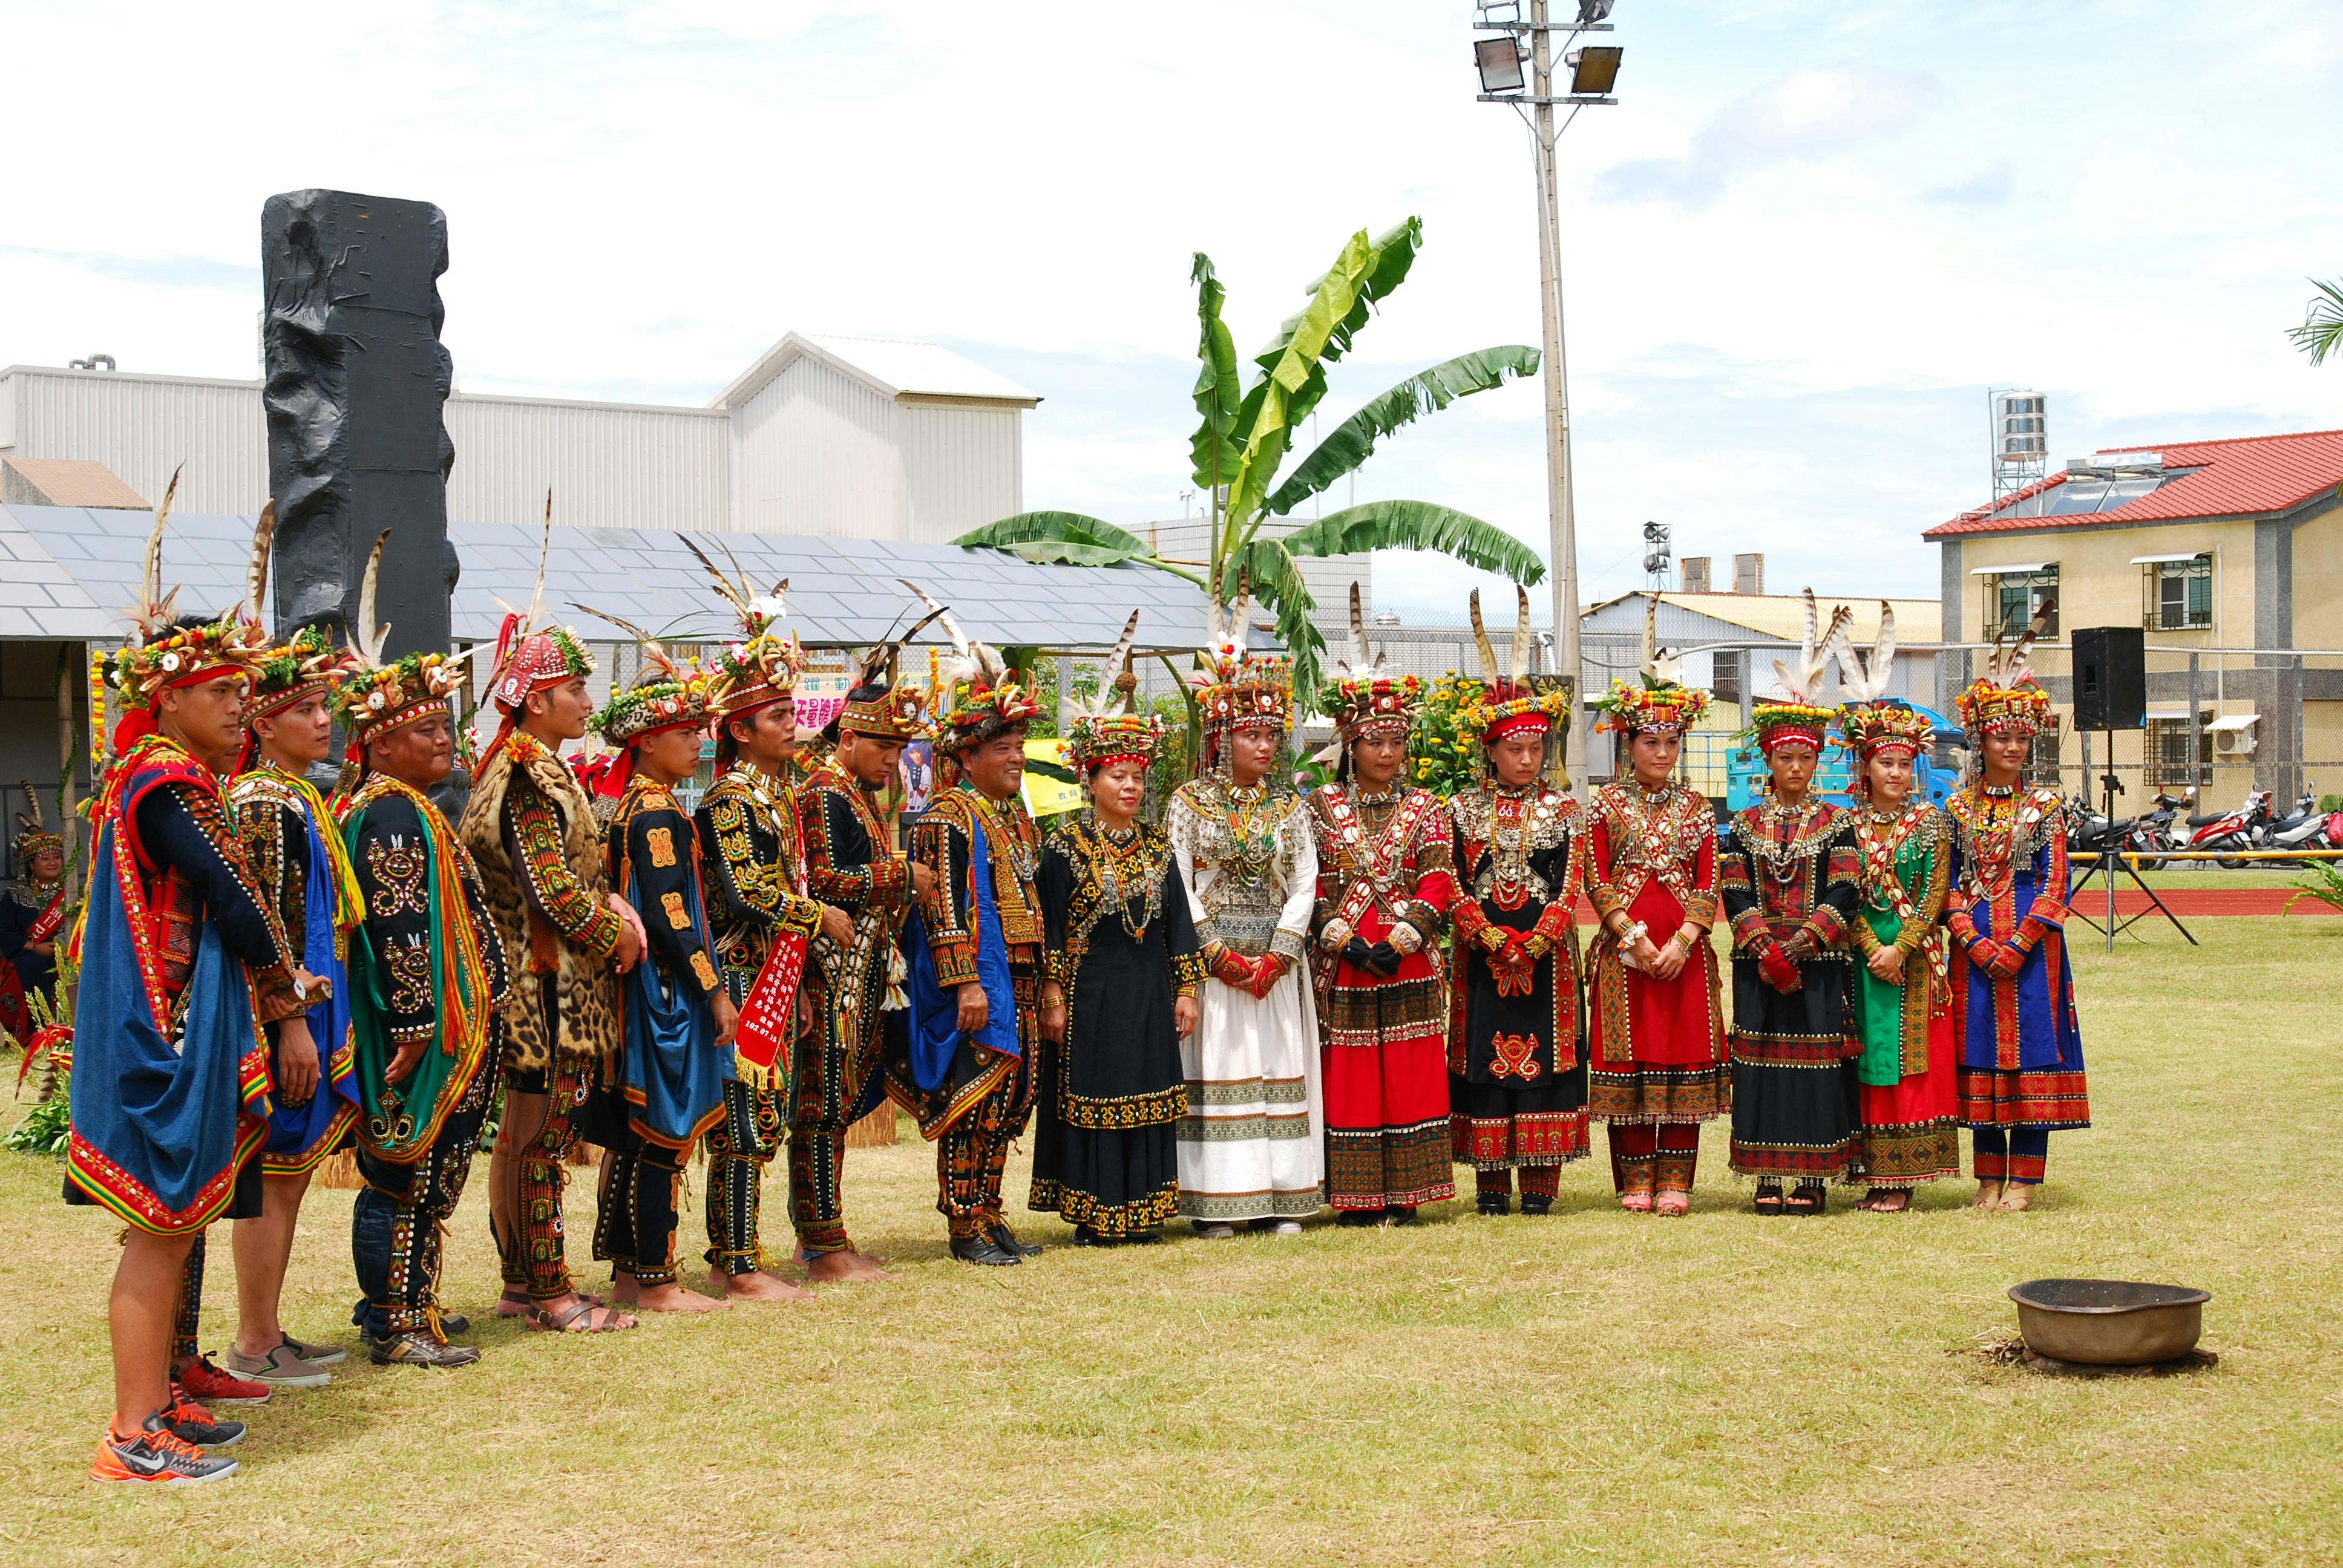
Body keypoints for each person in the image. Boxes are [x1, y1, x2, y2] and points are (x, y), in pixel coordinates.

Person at [70, 489, 324, 1481]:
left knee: (172, 1235)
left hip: (177, 1034)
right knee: (157, 1236)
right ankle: (131, 1436)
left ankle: (161, 1401)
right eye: (218, 689)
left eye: (238, 690)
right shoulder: (165, 784)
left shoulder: (181, 782)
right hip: (162, 1041)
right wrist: (286, 995)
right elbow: (232, 898)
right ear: (167, 698)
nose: (236, 705)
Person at [460, 593, 642, 1335]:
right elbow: (552, 890)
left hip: (533, 982)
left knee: (523, 1135)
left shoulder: (521, 764)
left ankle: (521, 1283)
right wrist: (615, 933)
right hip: (543, 989)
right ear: (536, 701)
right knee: (541, 1139)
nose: (586, 702)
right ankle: (549, 1293)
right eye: (573, 689)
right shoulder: (531, 775)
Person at [335, 590, 508, 1362]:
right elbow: (399, 924)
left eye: (444, 727)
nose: (443, 740)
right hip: (424, 1032)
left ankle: (406, 1304)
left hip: (439, 1023)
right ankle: (398, 1322)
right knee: (409, 1169)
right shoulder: (395, 814)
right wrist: (413, 1023)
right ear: (378, 745)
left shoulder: (402, 806)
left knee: (420, 1169)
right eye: (424, 730)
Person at [690, 554, 842, 1301]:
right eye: (779, 716)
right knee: (744, 1120)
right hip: (742, 975)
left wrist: (805, 978)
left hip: (776, 977)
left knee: (767, 1117)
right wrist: (822, 917)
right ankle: (734, 1262)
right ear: (742, 731)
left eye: (792, 712)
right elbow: (748, 891)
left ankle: (745, 1253)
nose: (794, 725)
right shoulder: (728, 801)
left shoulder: (775, 797)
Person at [221, 621, 365, 1385]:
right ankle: (252, 1340)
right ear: (263, 722)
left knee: (289, 1175)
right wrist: (291, 1025)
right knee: (276, 1172)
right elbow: (271, 924)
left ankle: (267, 1328)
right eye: (306, 710)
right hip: (288, 1016)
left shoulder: (295, 795)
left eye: (324, 708)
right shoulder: (264, 802)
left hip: (303, 1009)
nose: (323, 721)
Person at [886, 587, 1046, 1265]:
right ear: (968, 756)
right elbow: (940, 909)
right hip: (980, 982)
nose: (1016, 758)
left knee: (1009, 1103)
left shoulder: (1011, 815)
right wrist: (963, 985)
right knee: (974, 1103)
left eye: (1018, 747)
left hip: (1018, 975)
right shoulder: (949, 815)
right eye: (1004, 748)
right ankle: (964, 1224)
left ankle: (990, 1212)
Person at [582, 624, 739, 1310]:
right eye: (685, 733)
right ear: (647, 742)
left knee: (643, 1132)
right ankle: (656, 1281)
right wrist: (713, 994)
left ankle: (629, 1273)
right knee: (664, 1132)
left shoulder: (638, 807)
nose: (699, 742)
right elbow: (675, 915)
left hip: (649, 984)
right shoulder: (655, 816)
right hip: (664, 991)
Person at [1031, 614, 1201, 1246]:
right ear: (1089, 780)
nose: (1129, 787)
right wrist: (1050, 993)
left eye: (1136, 777)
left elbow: (1178, 924)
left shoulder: (1159, 848)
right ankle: (1098, 1213)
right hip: (1090, 994)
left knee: (1150, 1090)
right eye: (1116, 777)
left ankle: (1145, 1211)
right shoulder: (1062, 847)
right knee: (1095, 1095)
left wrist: (1186, 990)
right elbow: (1048, 924)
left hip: (1149, 990)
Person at [1167, 592, 1323, 1235]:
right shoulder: (1188, 800)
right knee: (1221, 1071)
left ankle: (1283, 1197)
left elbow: (1305, 879)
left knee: (1275, 1071)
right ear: (1219, 736)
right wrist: (1217, 957)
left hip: (1274, 965)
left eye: (1270, 734)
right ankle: (1217, 1202)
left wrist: (1279, 954)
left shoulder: (1288, 807)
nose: (1264, 744)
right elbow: (1177, 880)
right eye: (1250, 733)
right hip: (1217, 966)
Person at [1305, 586, 1458, 1225]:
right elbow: (1305, 883)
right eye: (1373, 742)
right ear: (1349, 743)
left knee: (1409, 1069)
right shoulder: (1316, 808)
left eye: (1395, 742)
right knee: (1351, 1075)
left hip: (1405, 959)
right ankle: (1357, 1197)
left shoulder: (1427, 808)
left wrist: (1398, 940)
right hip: (1345, 961)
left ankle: (1408, 1194)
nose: (1387, 754)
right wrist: (1344, 938)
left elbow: (1439, 879)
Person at [1717, 593, 1862, 1215]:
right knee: (1759, 1066)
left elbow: (1845, 889)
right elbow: (1732, 886)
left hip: (1817, 966)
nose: (1796, 766)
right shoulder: (1743, 823)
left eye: (1805, 756)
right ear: (1768, 760)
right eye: (1785, 757)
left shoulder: (1836, 821)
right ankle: (1763, 1176)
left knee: (1816, 1069)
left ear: (1818, 758)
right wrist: (1763, 948)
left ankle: (1812, 1176)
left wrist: (1801, 946)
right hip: (1757, 967)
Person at [1444, 588, 1587, 1217]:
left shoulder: (1564, 810)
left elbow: (1570, 880)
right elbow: (1446, 881)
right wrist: (1487, 936)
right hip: (1482, 957)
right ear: (1490, 750)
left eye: (1535, 750)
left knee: (1545, 1061)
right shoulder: (1459, 809)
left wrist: (1537, 938)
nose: (1526, 760)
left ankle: (1538, 1185)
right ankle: (1491, 1186)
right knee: (1483, 1058)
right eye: (1513, 749)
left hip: (1546, 957)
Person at [1946, 614, 2088, 1210]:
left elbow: (2057, 879)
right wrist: (1971, 939)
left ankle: (2025, 1178)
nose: (2010, 746)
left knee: (2033, 1051)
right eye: (1999, 736)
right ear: (1979, 741)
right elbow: (1947, 882)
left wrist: (2020, 942)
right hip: (1973, 947)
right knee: (1977, 1049)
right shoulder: (1956, 807)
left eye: (2020, 738)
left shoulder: (2046, 806)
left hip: (2034, 954)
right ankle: (1985, 1177)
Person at [1585, 653, 1726, 1217]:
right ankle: (1634, 1179)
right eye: (1651, 743)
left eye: (1671, 744)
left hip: (1683, 953)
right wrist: (1634, 938)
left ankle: (1676, 1180)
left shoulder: (1697, 807)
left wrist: (1685, 940)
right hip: (1627, 955)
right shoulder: (1605, 806)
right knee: (1632, 1058)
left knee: (1683, 1054)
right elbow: (1595, 877)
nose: (1662, 754)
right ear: (1628, 745)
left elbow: (1708, 879)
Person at [1831, 636, 1958, 1214]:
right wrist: (1868, 945)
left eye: (1907, 764)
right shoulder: (1844, 824)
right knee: (1865, 1056)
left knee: (1911, 1061)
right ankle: (1870, 1171)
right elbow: (1841, 893)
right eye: (1887, 762)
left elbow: (1935, 893)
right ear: (1865, 765)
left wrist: (1900, 947)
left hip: (1913, 957)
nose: (1898, 773)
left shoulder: (1933, 821)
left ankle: (1904, 1174)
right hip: (1859, 957)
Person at [1, 783, 68, 1050]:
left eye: (57, 857)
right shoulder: (15, 894)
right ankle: (32, 1033)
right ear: (31, 865)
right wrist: (34, 947)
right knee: (29, 967)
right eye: (45, 859)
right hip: (28, 954)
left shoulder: (71, 893)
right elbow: (4, 931)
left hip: (66, 954)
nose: (53, 863)